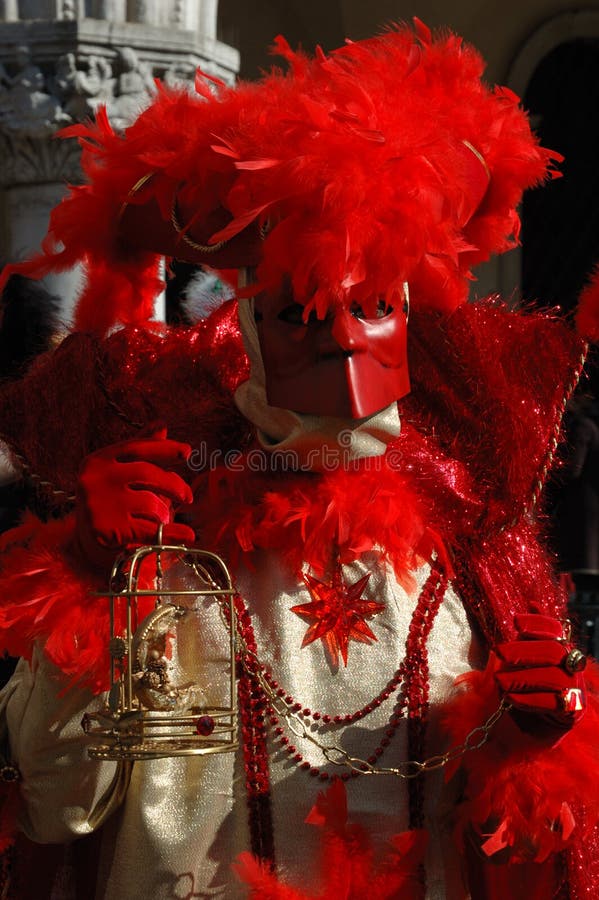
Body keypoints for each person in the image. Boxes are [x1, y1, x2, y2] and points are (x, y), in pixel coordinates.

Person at [0, 20, 598, 900]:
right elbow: (55, 805)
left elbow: (520, 830)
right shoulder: (167, 518)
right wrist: (96, 580)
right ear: (246, 331)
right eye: (305, 313)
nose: (346, 339)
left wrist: (532, 735)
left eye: (371, 307)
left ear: (409, 320)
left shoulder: (470, 527)